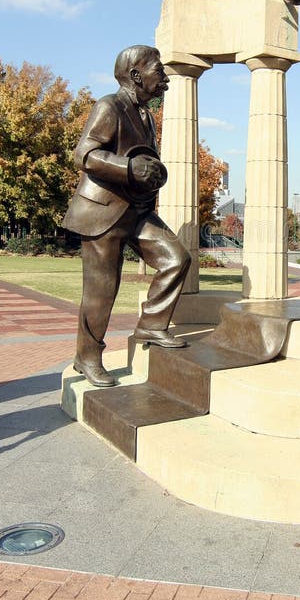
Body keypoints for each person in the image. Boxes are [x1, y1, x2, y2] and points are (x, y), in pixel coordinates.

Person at [63, 45, 191, 388]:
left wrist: (154, 173)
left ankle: (151, 325)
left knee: (176, 258)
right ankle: (87, 357)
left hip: (137, 211)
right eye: (158, 70)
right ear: (136, 75)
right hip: (102, 212)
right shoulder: (110, 106)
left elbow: (142, 157)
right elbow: (84, 154)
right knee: (102, 289)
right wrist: (129, 167)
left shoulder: (146, 116)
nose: (165, 77)